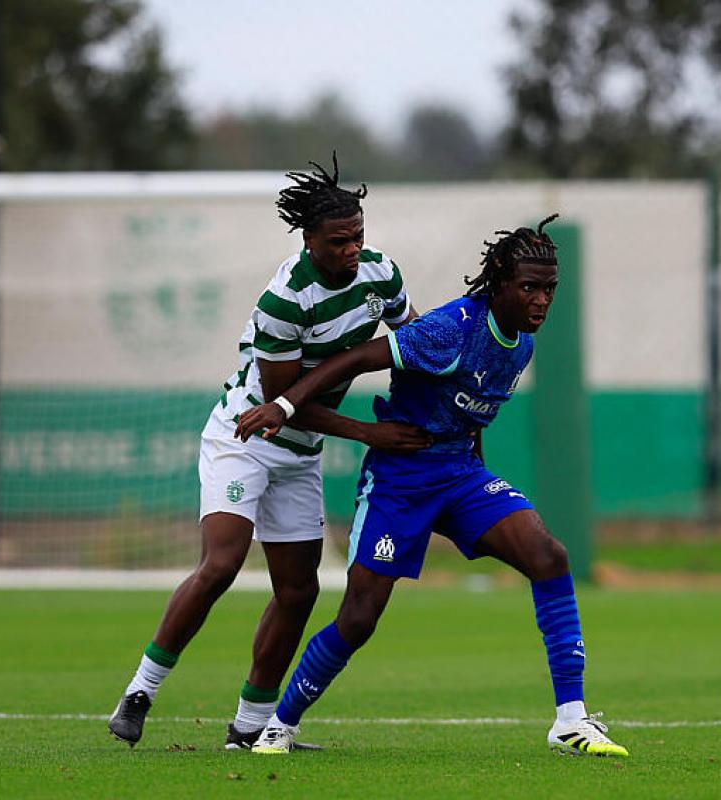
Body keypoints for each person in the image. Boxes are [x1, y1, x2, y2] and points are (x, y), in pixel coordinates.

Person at [234, 215, 628, 758]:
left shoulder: (519, 345)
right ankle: (279, 725)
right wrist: (282, 404)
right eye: (529, 288)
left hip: (460, 474)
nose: (541, 300)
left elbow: (473, 414)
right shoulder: (449, 331)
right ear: (500, 286)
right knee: (359, 617)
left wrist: (476, 470)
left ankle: (571, 719)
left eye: (549, 289)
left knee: (548, 555)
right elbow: (359, 356)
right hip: (400, 479)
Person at [108, 156, 431, 749]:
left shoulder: (380, 274)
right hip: (246, 439)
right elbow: (286, 402)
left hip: (300, 456)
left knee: (300, 591)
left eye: (358, 235)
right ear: (308, 241)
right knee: (222, 565)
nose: (352, 249)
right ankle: (140, 692)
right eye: (339, 241)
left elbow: (411, 337)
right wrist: (368, 433)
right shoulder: (285, 301)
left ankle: (250, 729)